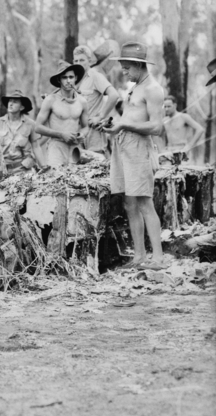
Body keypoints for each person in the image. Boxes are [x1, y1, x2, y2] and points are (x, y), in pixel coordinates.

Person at [103, 41, 166, 270]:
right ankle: (139, 256)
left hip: (140, 148)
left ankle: (157, 259)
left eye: (127, 68)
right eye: (123, 67)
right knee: (129, 203)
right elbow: (131, 117)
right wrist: (116, 125)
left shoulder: (153, 89)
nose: (124, 72)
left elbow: (157, 127)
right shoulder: (134, 86)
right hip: (124, 148)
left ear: (139, 66)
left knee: (144, 202)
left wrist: (125, 125)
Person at [35, 60, 89, 168]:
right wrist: (61, 134)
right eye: (64, 77)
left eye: (71, 77)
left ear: (76, 78)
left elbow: (85, 127)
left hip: (75, 149)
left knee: (76, 182)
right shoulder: (51, 100)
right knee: (56, 180)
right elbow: (37, 127)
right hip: (56, 147)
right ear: (59, 80)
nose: (68, 81)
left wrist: (82, 135)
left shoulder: (82, 102)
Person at [73, 45, 119, 153]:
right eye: (76, 61)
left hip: (93, 132)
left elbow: (114, 95)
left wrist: (100, 116)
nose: (78, 63)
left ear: (89, 61)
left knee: (96, 164)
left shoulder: (95, 76)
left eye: (82, 60)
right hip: (78, 131)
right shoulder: (75, 80)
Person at [0, 89, 46, 175]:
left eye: (15, 102)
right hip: (3, 169)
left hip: (23, 169)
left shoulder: (30, 124)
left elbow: (36, 147)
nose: (11, 104)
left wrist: (44, 167)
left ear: (22, 107)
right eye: (10, 101)